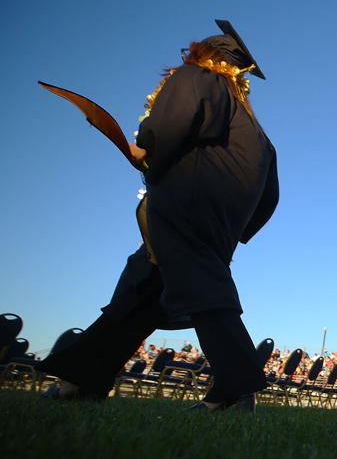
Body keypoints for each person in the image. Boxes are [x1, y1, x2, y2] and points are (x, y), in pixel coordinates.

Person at [38, 20, 278, 412]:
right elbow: (270, 195)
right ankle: (83, 378)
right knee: (142, 289)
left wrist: (145, 149)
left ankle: (236, 389)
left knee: (203, 288)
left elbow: (171, 122)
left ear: (205, 55)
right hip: (220, 220)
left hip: (187, 202)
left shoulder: (199, 78)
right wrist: (235, 231)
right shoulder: (254, 126)